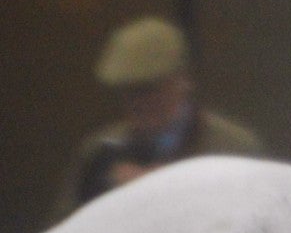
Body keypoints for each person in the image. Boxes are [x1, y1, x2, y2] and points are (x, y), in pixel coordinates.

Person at [56, 17, 264, 222]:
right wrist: (104, 190)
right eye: (127, 91)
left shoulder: (233, 148)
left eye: (149, 88)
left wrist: (174, 191)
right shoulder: (98, 153)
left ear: (183, 80)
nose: (137, 102)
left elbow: (259, 229)